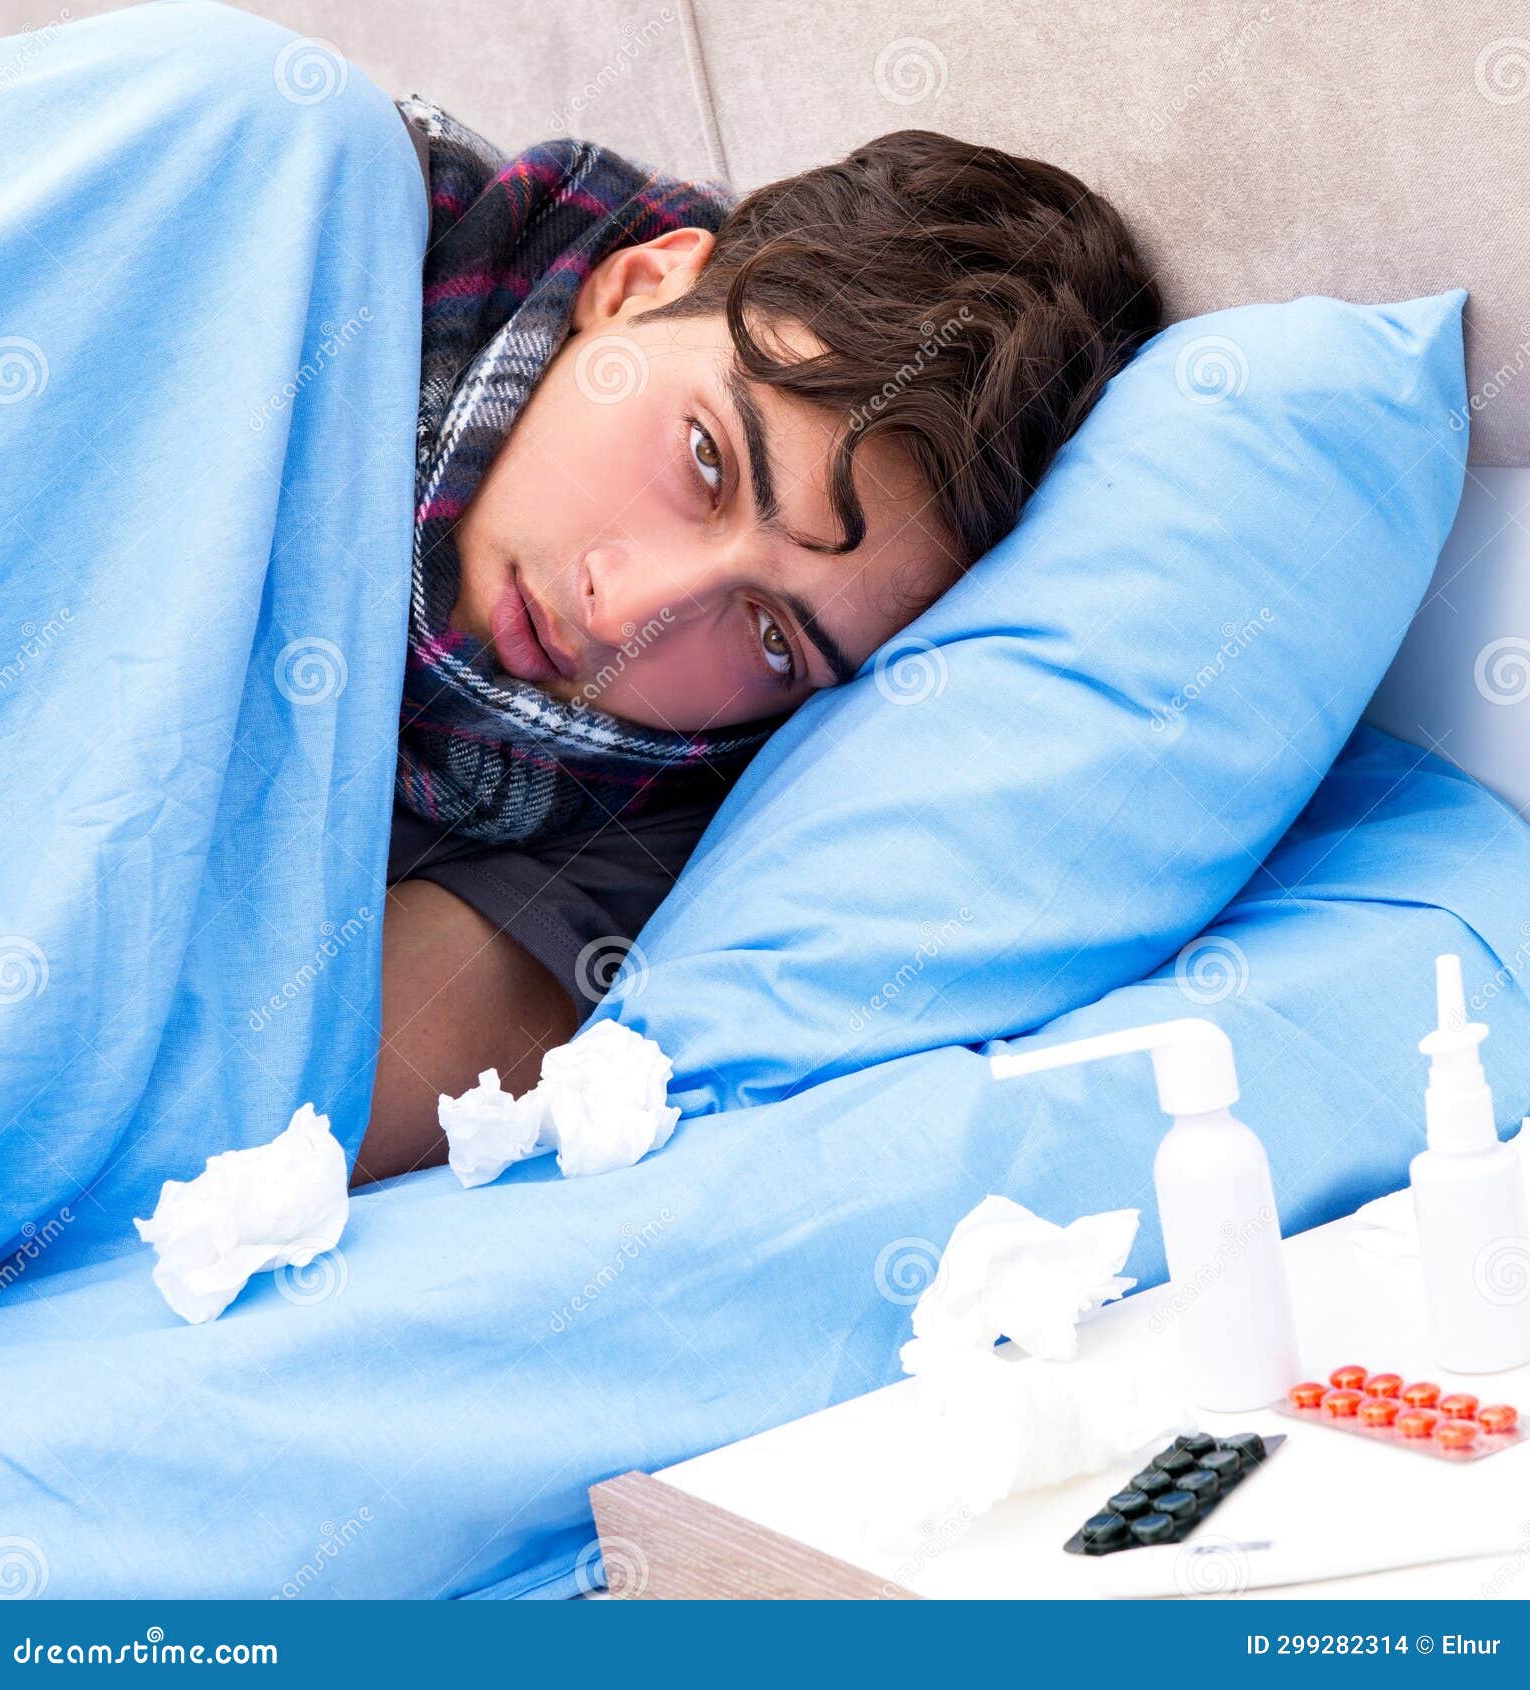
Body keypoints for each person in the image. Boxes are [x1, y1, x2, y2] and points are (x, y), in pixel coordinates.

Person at [359, 115, 1161, 1184]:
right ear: (641, 283)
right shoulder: (341, 230)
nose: (630, 609)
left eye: (773, 637)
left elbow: (263, 1099)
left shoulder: (649, 840)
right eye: (705, 458)